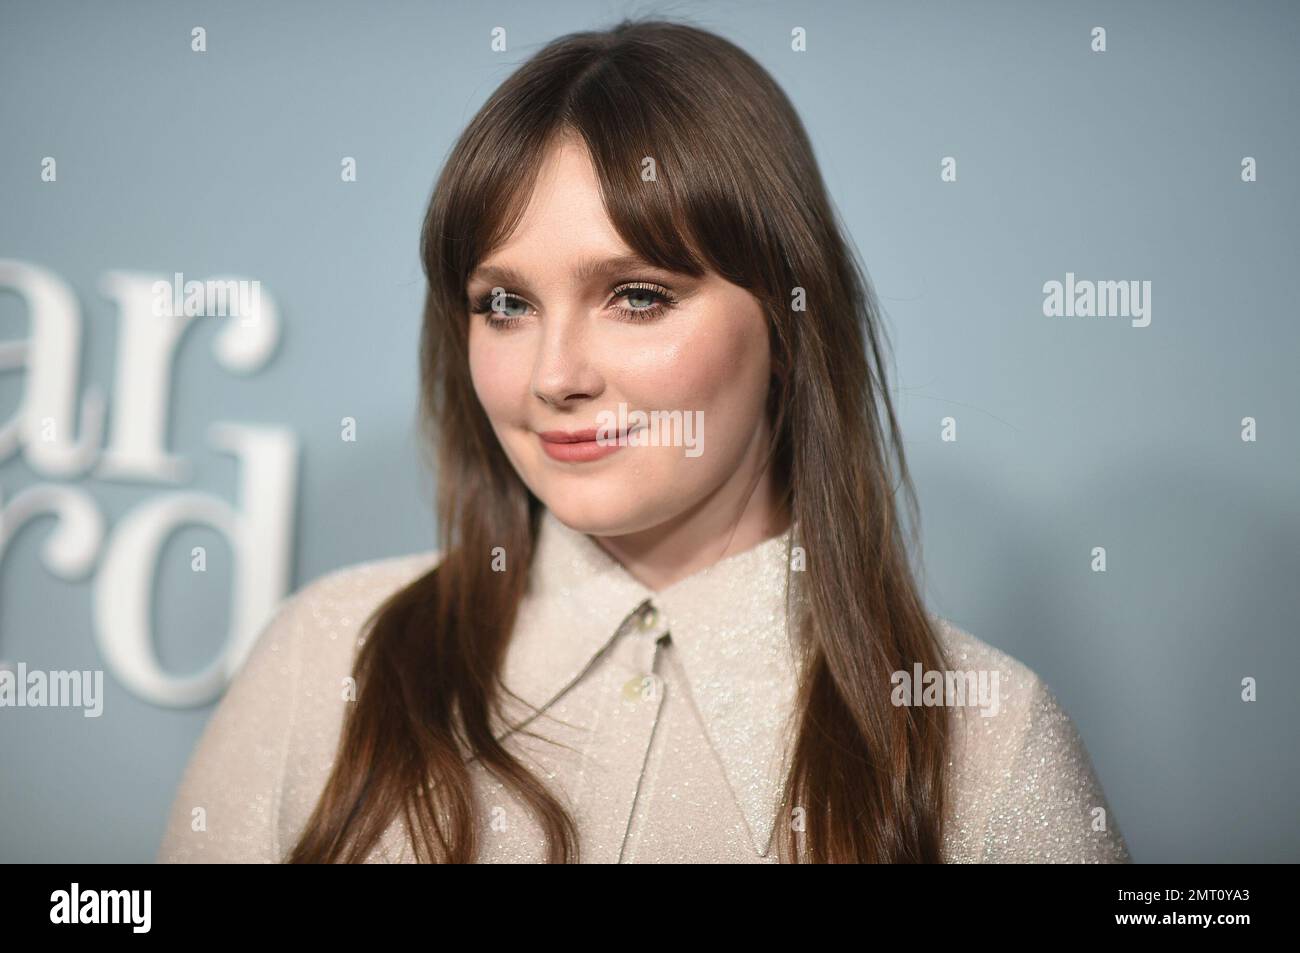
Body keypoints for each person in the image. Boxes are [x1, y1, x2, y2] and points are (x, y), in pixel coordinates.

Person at [157, 17, 1130, 864]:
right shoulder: (327, 658)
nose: (554, 373)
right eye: (505, 303)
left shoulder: (982, 739)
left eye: (636, 296)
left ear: (789, 321)